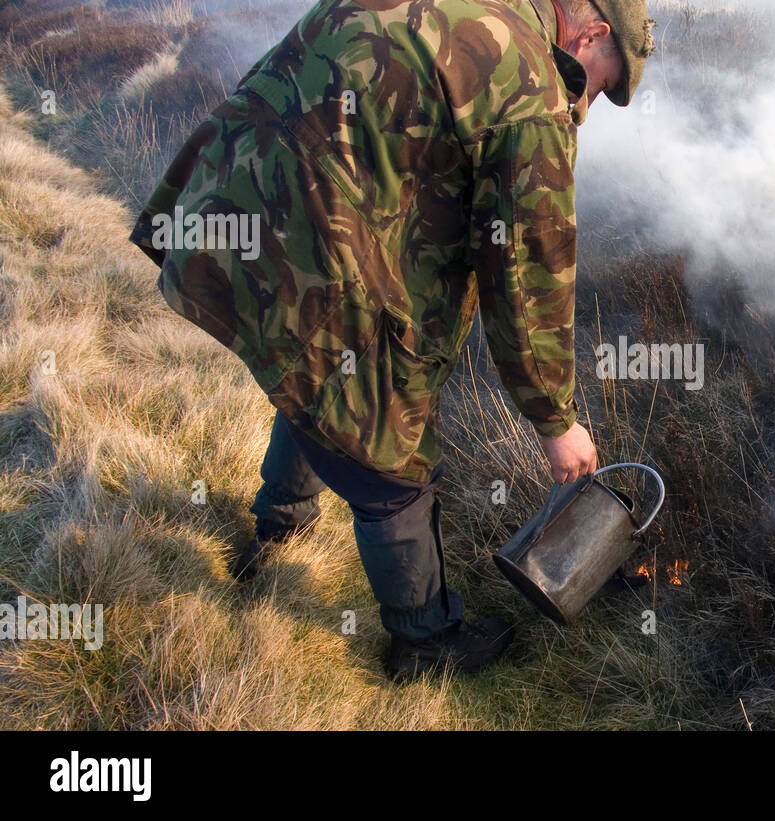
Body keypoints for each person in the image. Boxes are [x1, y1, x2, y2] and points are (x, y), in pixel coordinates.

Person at [128, 0, 656, 681]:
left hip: (233, 191)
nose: (591, 101)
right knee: (391, 457)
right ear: (592, 32)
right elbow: (527, 269)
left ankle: (282, 522)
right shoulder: (529, 85)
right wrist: (555, 419)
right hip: (308, 237)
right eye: (602, 81)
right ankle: (425, 640)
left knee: (323, 379)